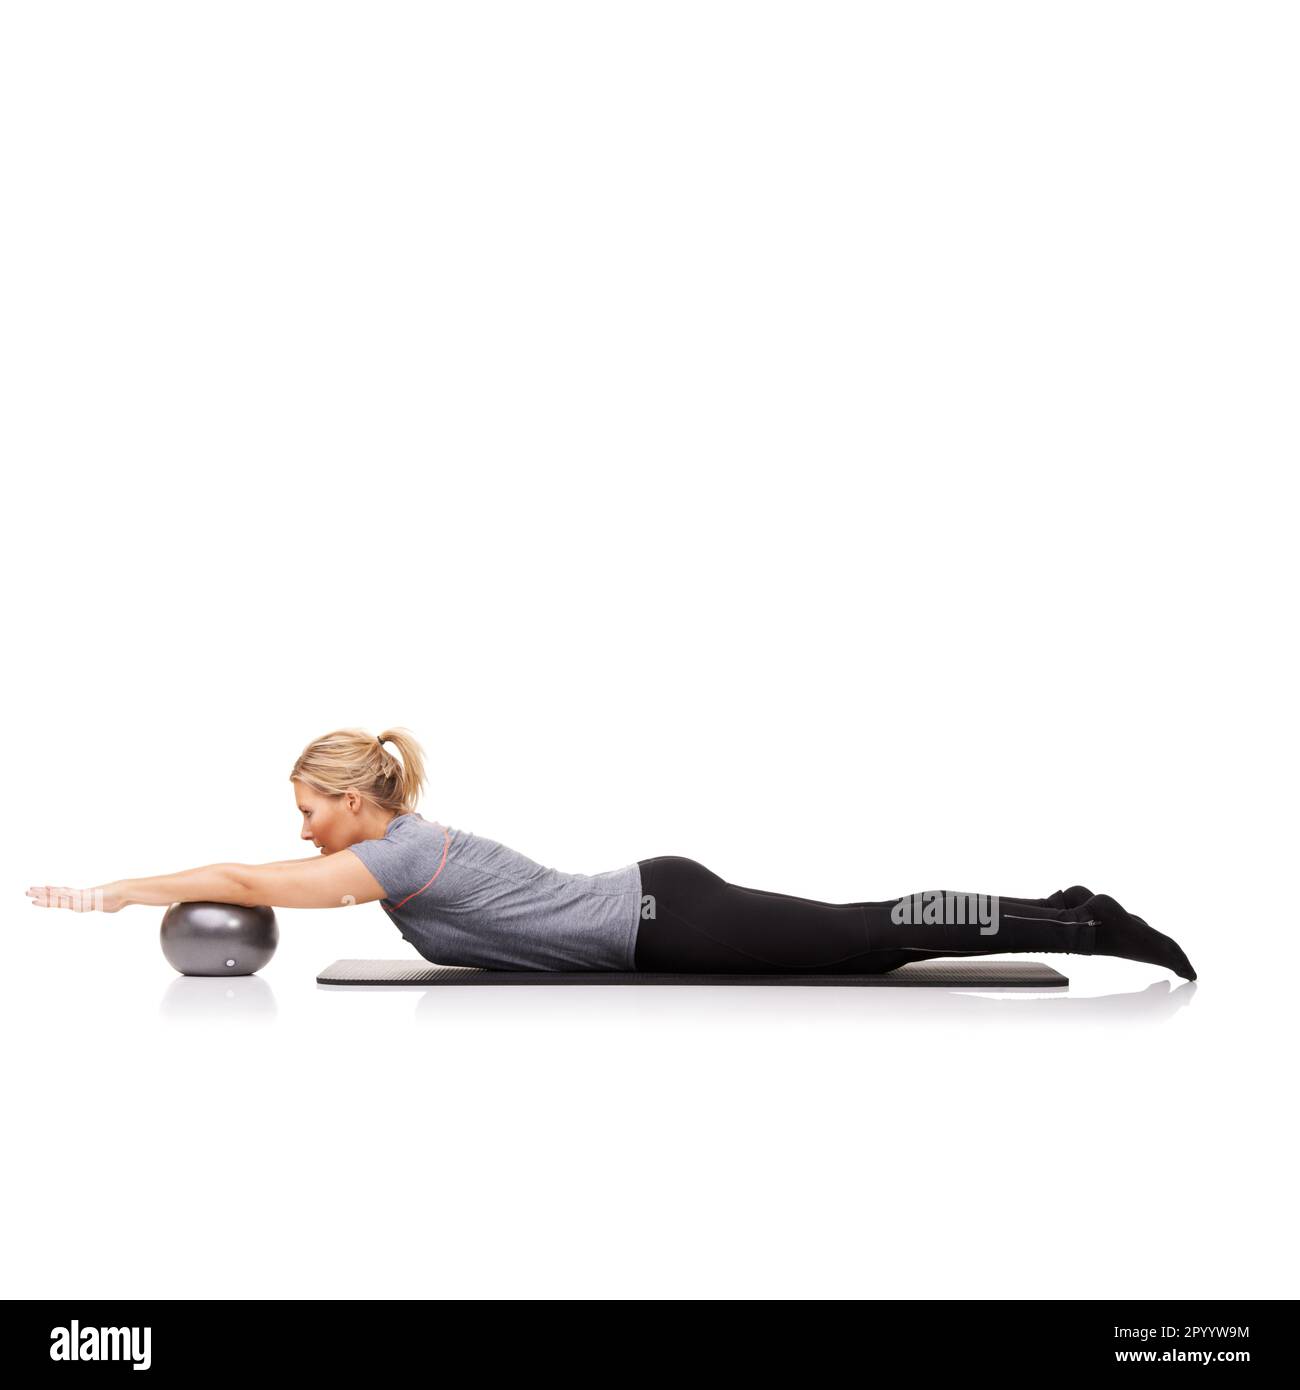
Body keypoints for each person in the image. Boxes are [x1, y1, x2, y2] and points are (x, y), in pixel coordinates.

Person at [26, 727, 1197, 981]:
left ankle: (1077, 916)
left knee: (869, 937)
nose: (299, 834)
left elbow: (238, 884)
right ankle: (1066, 909)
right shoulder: (395, 850)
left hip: (662, 920)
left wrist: (118, 892)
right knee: (865, 937)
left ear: (348, 802)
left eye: (306, 811)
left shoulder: (400, 852)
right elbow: (251, 874)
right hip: (651, 907)